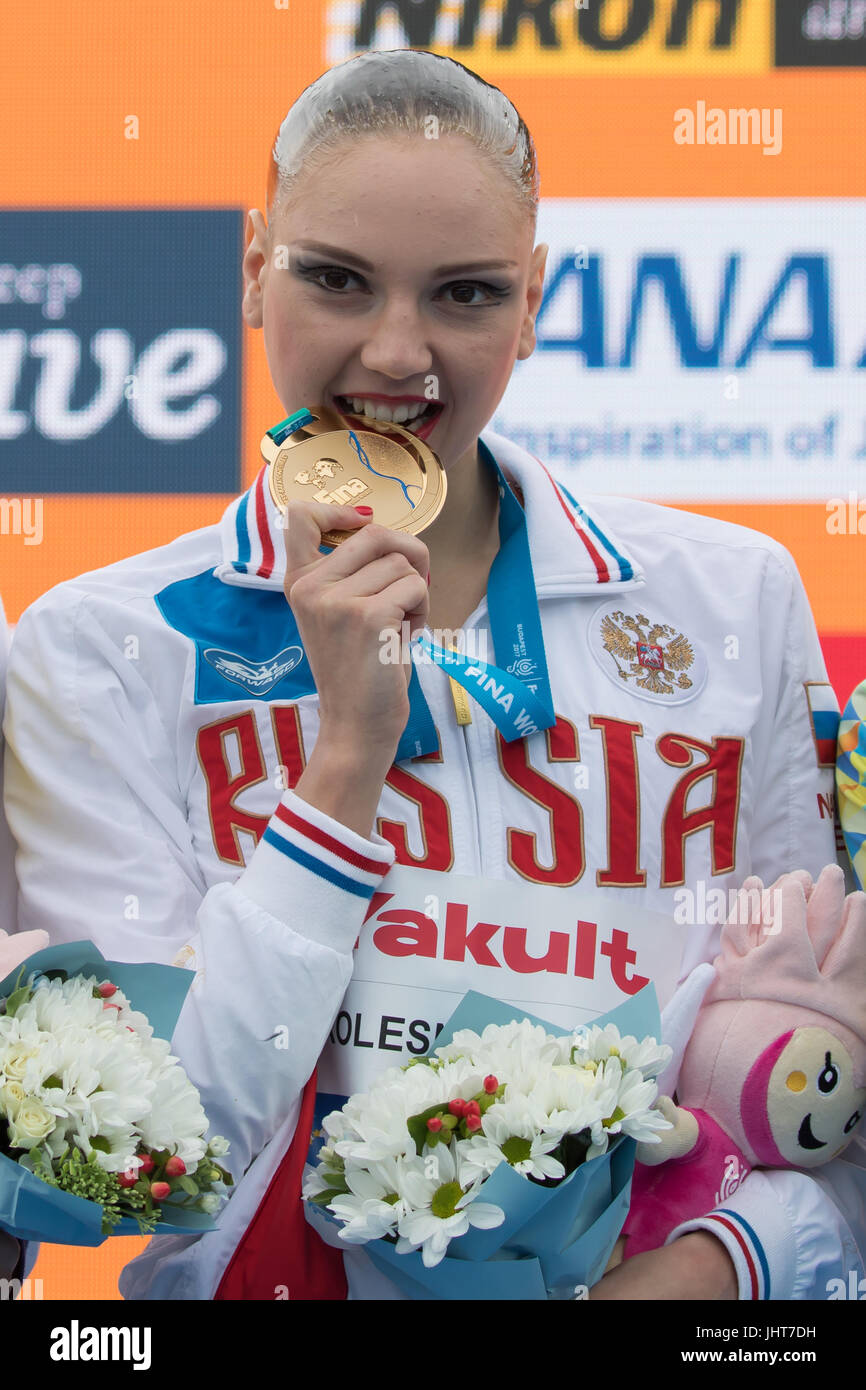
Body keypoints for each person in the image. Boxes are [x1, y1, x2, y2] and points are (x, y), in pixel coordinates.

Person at [3, 49, 863, 1302]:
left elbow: (815, 1065)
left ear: (533, 304)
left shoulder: (727, 596)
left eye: (464, 295)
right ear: (254, 269)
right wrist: (345, 757)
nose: (395, 355)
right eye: (337, 280)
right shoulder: (98, 643)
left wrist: (721, 1270)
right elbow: (145, 1152)